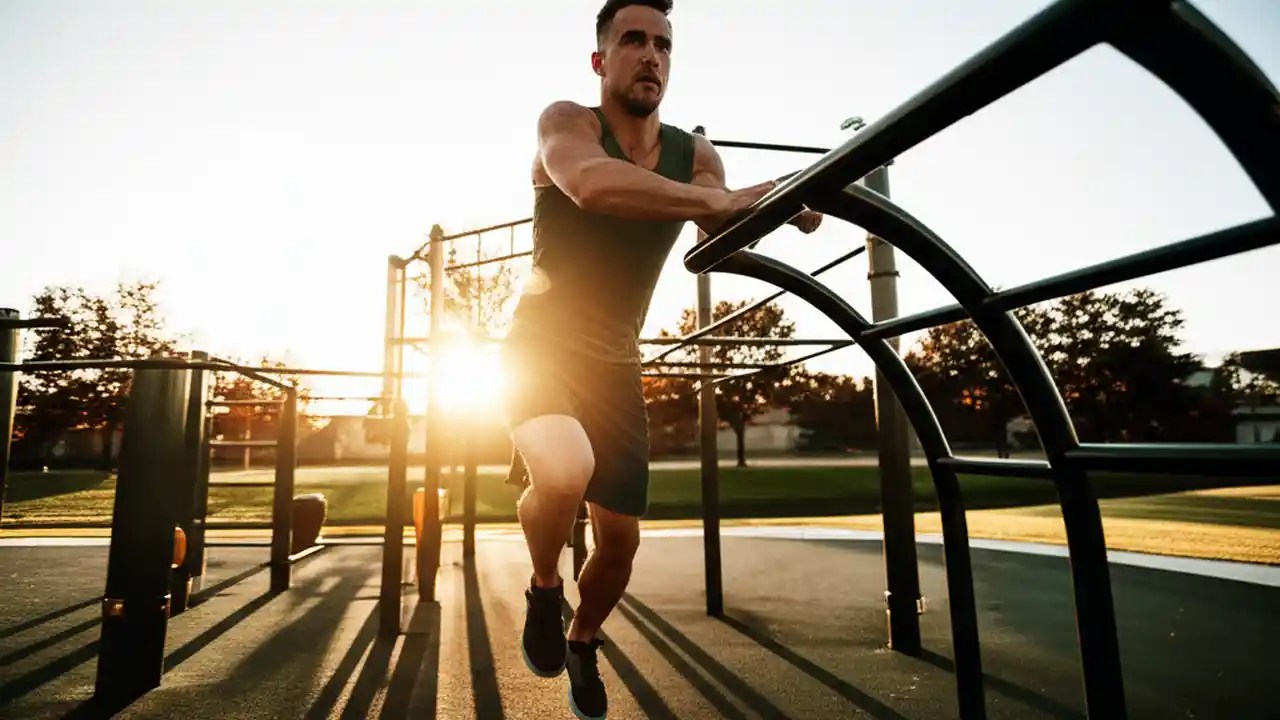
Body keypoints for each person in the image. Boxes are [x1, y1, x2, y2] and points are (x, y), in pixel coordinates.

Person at [499, 1, 822, 717]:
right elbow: (593, 185)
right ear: (601, 60)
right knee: (561, 467)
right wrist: (723, 201)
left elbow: (720, 229)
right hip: (540, 345)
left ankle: (582, 640)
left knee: (619, 546)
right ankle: (545, 588)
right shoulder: (567, 122)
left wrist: (777, 205)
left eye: (664, 46)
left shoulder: (695, 156)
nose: (651, 56)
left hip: (615, 359)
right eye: (634, 41)